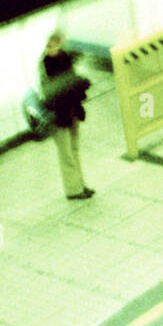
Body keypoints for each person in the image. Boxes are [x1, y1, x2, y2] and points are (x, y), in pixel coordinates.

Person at [40, 32, 95, 200]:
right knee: (67, 154)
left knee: (74, 150)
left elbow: (71, 82)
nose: (51, 48)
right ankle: (73, 190)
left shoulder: (65, 59)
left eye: (55, 44)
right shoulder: (44, 65)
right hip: (57, 116)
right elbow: (50, 92)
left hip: (71, 111)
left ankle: (80, 185)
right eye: (49, 45)